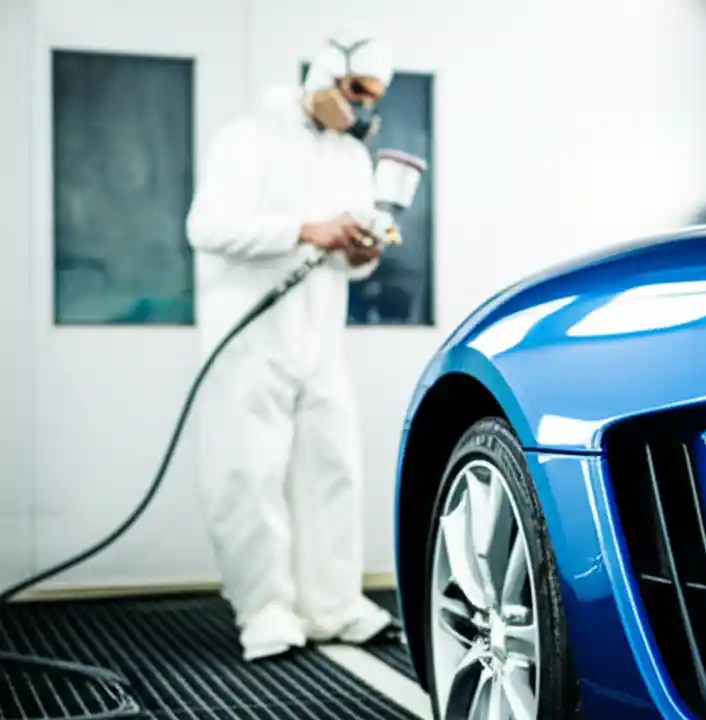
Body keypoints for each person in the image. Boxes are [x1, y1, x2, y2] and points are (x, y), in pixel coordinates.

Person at [186, 29, 398, 661]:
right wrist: (310, 230)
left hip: (319, 339)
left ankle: (333, 605)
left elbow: (348, 257)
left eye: (373, 96)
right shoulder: (249, 139)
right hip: (248, 338)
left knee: (335, 468)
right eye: (357, 91)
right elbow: (207, 226)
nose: (362, 108)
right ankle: (266, 610)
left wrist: (361, 251)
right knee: (249, 474)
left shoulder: (351, 160)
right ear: (324, 78)